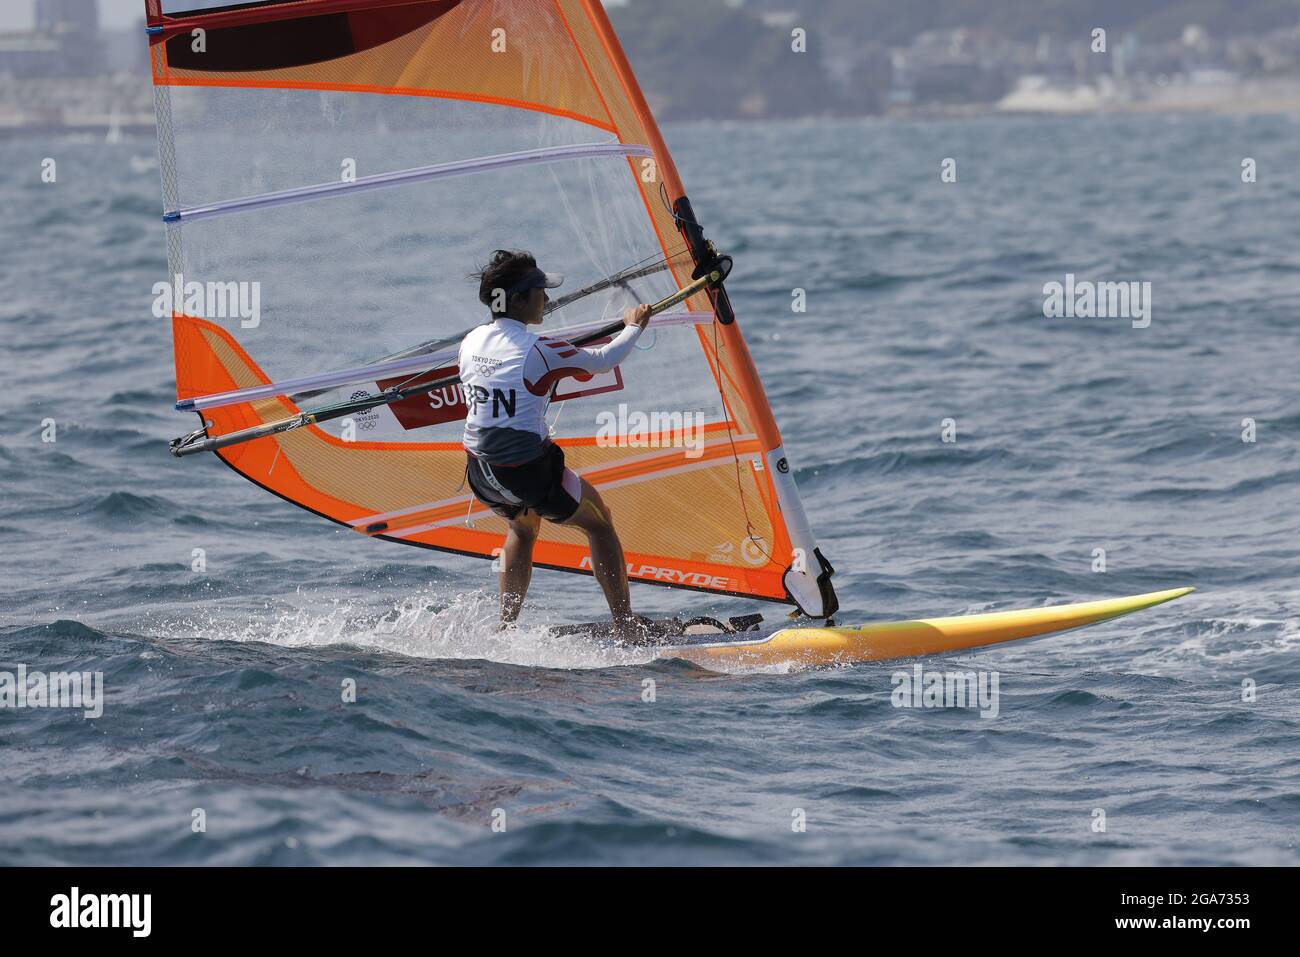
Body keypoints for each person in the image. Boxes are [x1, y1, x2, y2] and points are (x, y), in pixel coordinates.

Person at [459, 249, 651, 633]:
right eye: (539, 291)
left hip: (479, 472)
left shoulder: (471, 341)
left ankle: (505, 628)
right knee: (600, 524)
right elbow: (602, 360)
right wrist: (633, 325)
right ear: (517, 300)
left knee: (522, 527)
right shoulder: (540, 349)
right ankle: (626, 626)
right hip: (526, 472)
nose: (546, 299)